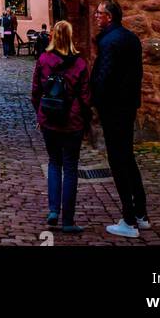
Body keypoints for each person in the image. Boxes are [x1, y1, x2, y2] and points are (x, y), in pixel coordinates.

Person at [90, 0, 149, 239]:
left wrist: (94, 101)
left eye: (99, 13)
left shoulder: (108, 41)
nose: (96, 16)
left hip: (113, 108)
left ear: (109, 17)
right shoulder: (132, 38)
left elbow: (103, 76)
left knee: (117, 160)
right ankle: (142, 213)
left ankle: (128, 219)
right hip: (128, 106)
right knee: (128, 157)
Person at [31, 20, 92, 234]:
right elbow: (85, 96)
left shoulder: (44, 59)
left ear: (53, 36)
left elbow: (36, 90)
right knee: (71, 167)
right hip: (72, 121)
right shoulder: (80, 63)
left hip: (50, 120)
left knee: (54, 163)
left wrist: (40, 114)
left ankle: (53, 210)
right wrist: (87, 120)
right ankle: (68, 219)